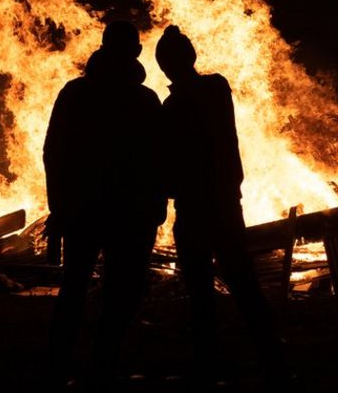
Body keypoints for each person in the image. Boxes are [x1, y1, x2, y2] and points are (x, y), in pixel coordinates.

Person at [155, 25, 286, 388]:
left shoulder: (178, 104)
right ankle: (270, 357)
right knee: (244, 283)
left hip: (196, 208)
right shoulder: (216, 89)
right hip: (228, 203)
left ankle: (209, 362)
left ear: (166, 67)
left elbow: (169, 162)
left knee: (200, 290)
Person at [43, 20, 166, 389]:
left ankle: (59, 365)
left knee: (76, 286)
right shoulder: (144, 100)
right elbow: (158, 159)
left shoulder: (76, 93)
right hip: (129, 213)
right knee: (119, 292)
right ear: (136, 53)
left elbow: (54, 153)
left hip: (86, 210)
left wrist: (60, 207)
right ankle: (103, 366)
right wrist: (156, 205)